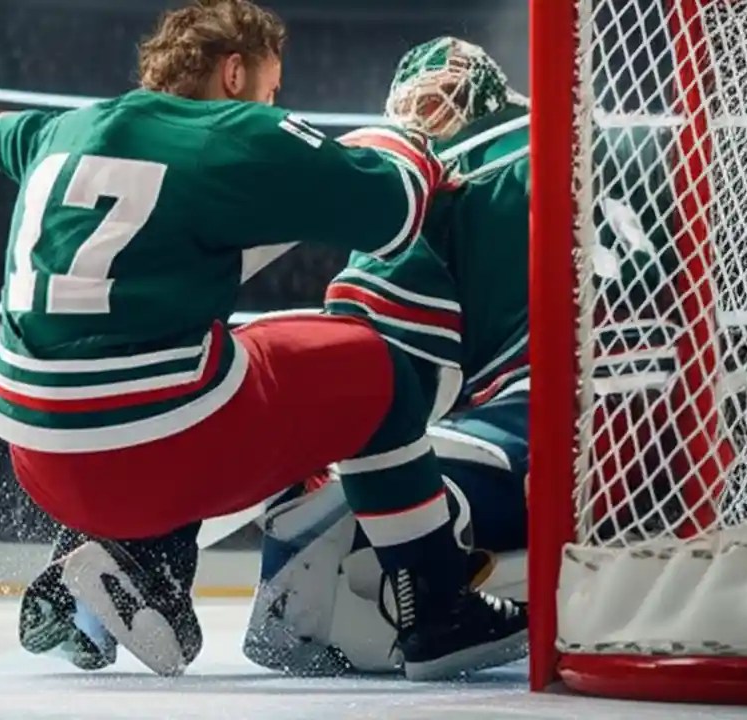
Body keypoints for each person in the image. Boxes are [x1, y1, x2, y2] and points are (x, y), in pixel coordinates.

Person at [0, 3, 518, 680]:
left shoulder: (56, 129)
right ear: (235, 72)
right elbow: (392, 207)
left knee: (225, 353)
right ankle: (438, 610)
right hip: (154, 451)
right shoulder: (236, 133)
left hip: (36, 459)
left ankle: (132, 565)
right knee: (376, 370)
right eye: (270, 84)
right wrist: (405, 137)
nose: (271, 99)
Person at [242, 36, 677, 675]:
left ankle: (360, 560)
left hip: (542, 421)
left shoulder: (435, 169)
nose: (426, 117)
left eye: (435, 100)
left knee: (367, 452)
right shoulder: (617, 137)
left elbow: (377, 359)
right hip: (675, 422)